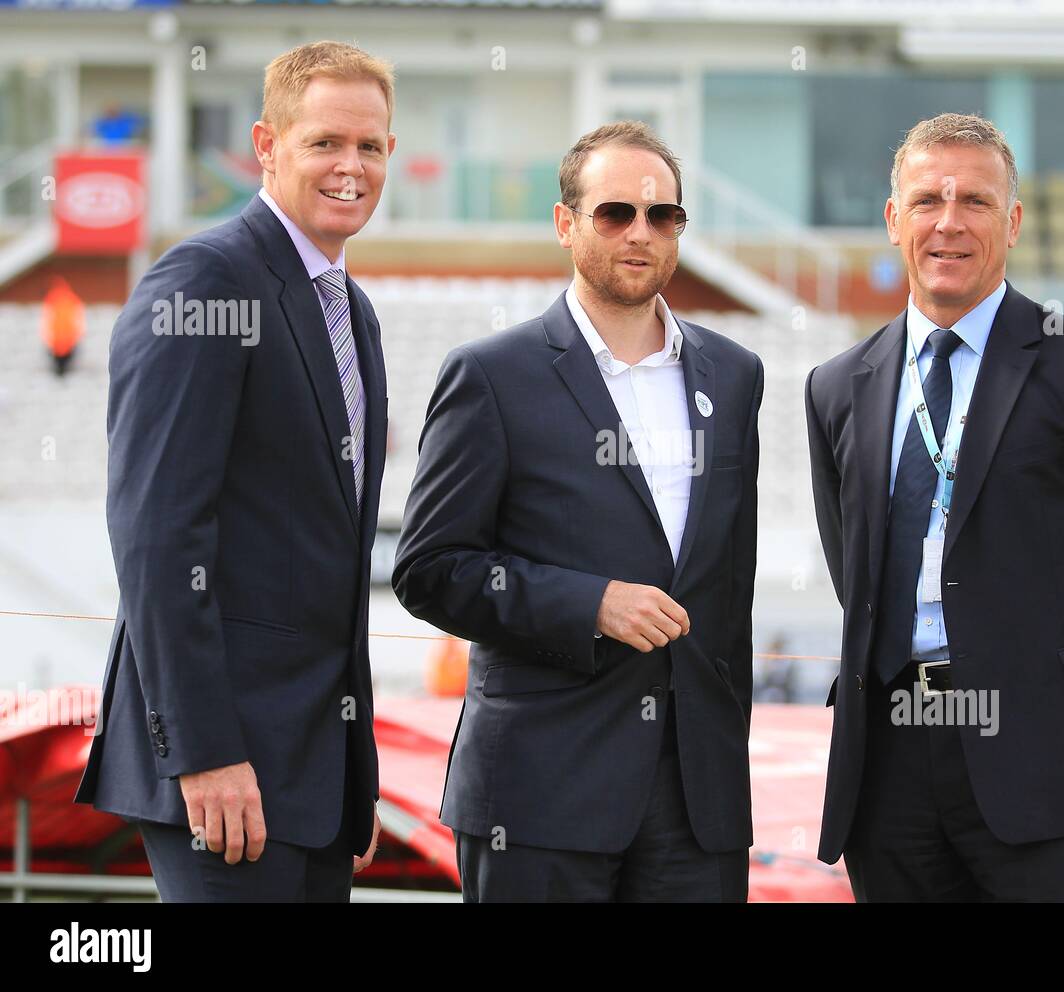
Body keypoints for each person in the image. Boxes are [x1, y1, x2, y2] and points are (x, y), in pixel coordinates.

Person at [805, 113, 1064, 901]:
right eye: (926, 201)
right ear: (892, 220)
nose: (949, 222)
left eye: (975, 201)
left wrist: (1058, 679)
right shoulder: (837, 385)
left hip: (1046, 757)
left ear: (1011, 223)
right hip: (888, 763)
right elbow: (856, 570)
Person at [393, 121, 763, 902]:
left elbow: (731, 586)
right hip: (539, 793)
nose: (642, 233)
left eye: (664, 216)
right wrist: (589, 604)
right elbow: (429, 569)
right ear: (566, 224)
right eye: (615, 212)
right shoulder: (492, 375)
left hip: (699, 803)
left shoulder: (735, 375)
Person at [74, 41, 396, 902]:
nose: (350, 167)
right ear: (266, 144)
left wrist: (350, 766)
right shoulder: (206, 278)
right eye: (325, 142)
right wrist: (204, 749)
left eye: (370, 147)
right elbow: (156, 532)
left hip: (313, 777)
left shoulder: (350, 311)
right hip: (222, 771)